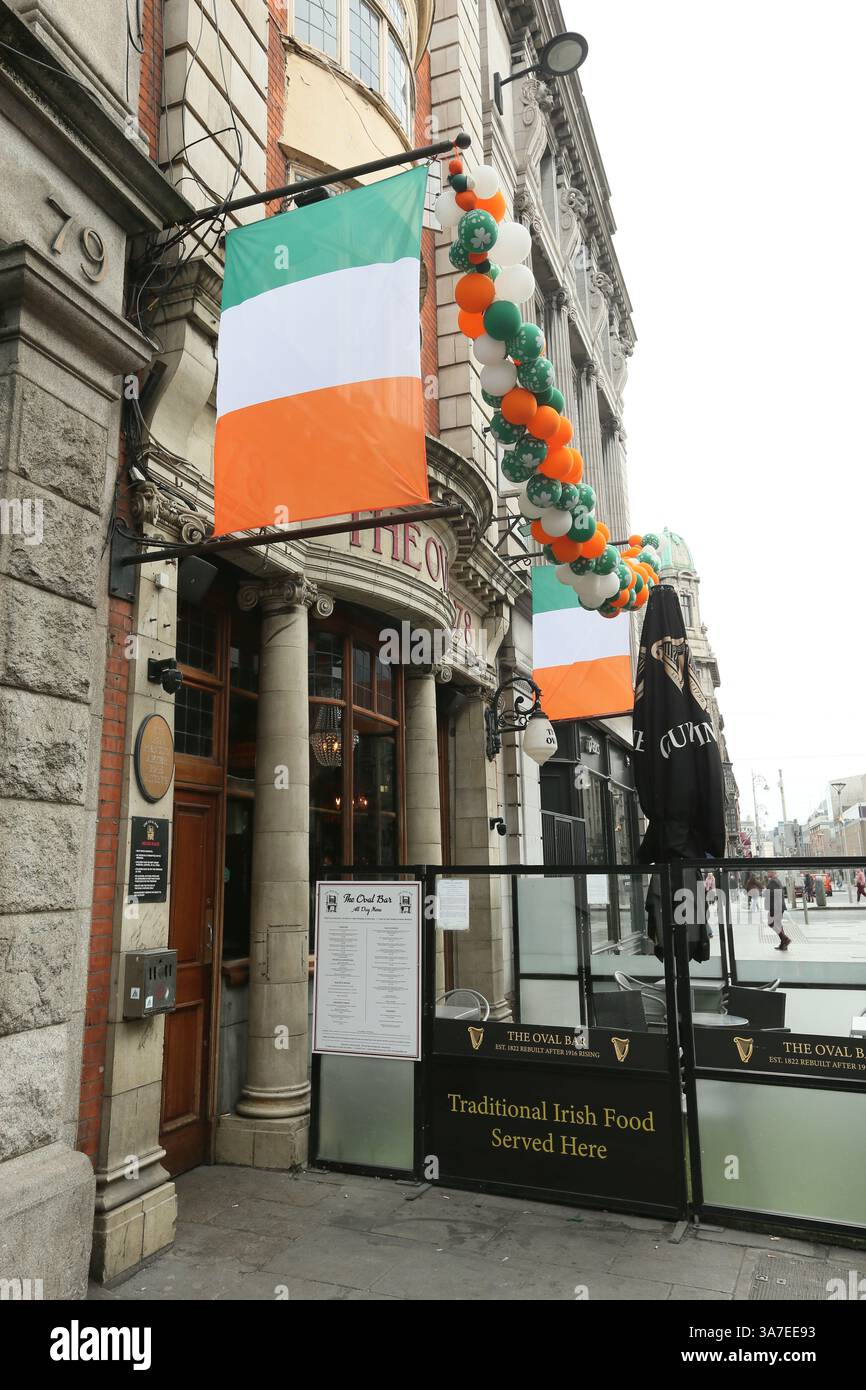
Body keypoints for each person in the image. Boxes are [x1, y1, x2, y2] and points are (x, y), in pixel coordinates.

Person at [765, 870, 791, 950]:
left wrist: (766, 892)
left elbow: (775, 895)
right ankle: (783, 944)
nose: (767, 873)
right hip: (778, 907)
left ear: (773, 872)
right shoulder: (776, 881)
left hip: (776, 907)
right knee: (778, 925)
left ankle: (785, 939)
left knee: (771, 923)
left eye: (769, 872)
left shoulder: (773, 882)